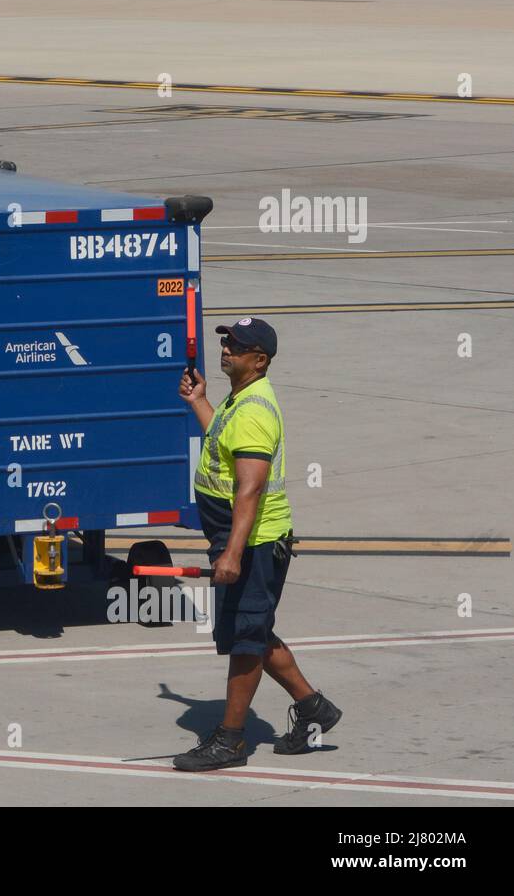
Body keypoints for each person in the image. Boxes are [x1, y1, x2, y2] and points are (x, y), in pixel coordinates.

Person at [173, 316, 341, 771]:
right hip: (239, 538)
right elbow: (222, 444)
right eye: (226, 341)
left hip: (252, 542)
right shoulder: (239, 400)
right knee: (253, 630)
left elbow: (249, 489)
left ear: (259, 360)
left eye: (237, 346)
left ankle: (231, 741)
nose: (226, 349)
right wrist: (200, 402)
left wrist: (231, 553)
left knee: (246, 636)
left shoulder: (252, 410)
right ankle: (313, 708)